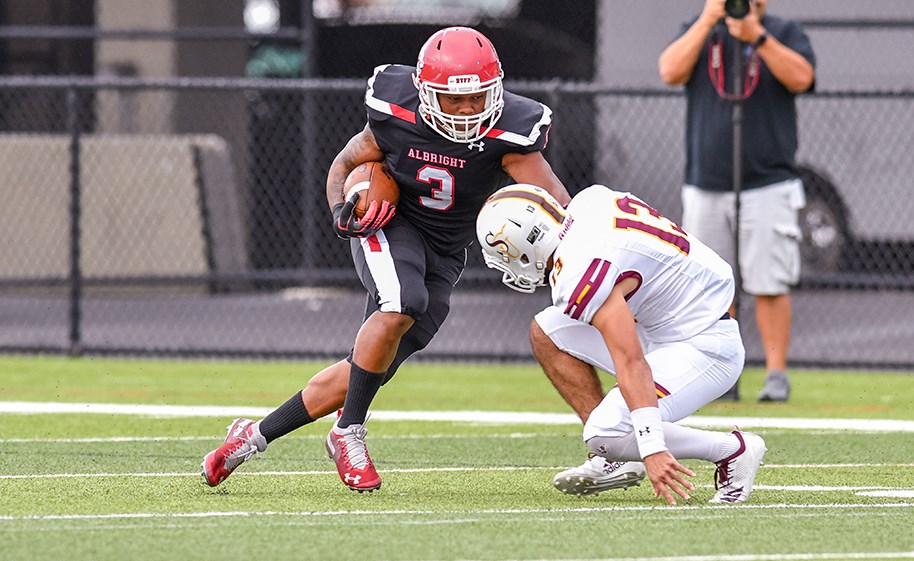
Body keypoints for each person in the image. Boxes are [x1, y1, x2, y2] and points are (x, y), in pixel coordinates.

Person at [201, 26, 613, 493]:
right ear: (423, 91)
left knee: (369, 365)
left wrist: (579, 245)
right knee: (401, 303)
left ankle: (249, 438)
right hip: (390, 222)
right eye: (452, 99)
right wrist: (340, 206)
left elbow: (554, 202)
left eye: (477, 98)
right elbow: (344, 162)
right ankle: (348, 431)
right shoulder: (396, 112)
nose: (465, 109)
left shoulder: (510, 132)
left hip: (446, 250)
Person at [475, 183, 767, 503]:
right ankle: (612, 457)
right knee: (547, 330)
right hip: (674, 319)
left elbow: (631, 360)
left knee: (604, 433)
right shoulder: (588, 202)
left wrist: (652, 447)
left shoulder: (577, 274)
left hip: (704, 347)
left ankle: (732, 450)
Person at [657, 0, 816, 402]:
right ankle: (719, 377)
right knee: (710, 287)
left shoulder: (784, 31)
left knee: (770, 282)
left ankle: (776, 375)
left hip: (768, 181)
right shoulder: (698, 28)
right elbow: (670, 71)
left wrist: (757, 37)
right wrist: (710, 19)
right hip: (706, 183)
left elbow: (802, 77)